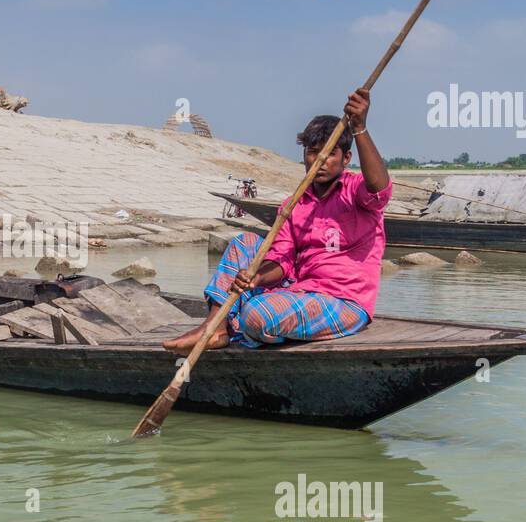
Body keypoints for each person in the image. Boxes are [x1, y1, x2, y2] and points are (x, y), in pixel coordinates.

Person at [165, 88, 390, 354]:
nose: (319, 161)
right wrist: (256, 278)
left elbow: (379, 189)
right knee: (244, 243)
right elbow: (281, 260)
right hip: (300, 290)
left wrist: (360, 128)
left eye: (329, 154)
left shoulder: (355, 192)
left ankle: (239, 321)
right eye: (312, 152)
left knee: (257, 316)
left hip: (342, 300)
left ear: (346, 158)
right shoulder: (294, 205)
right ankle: (215, 327)